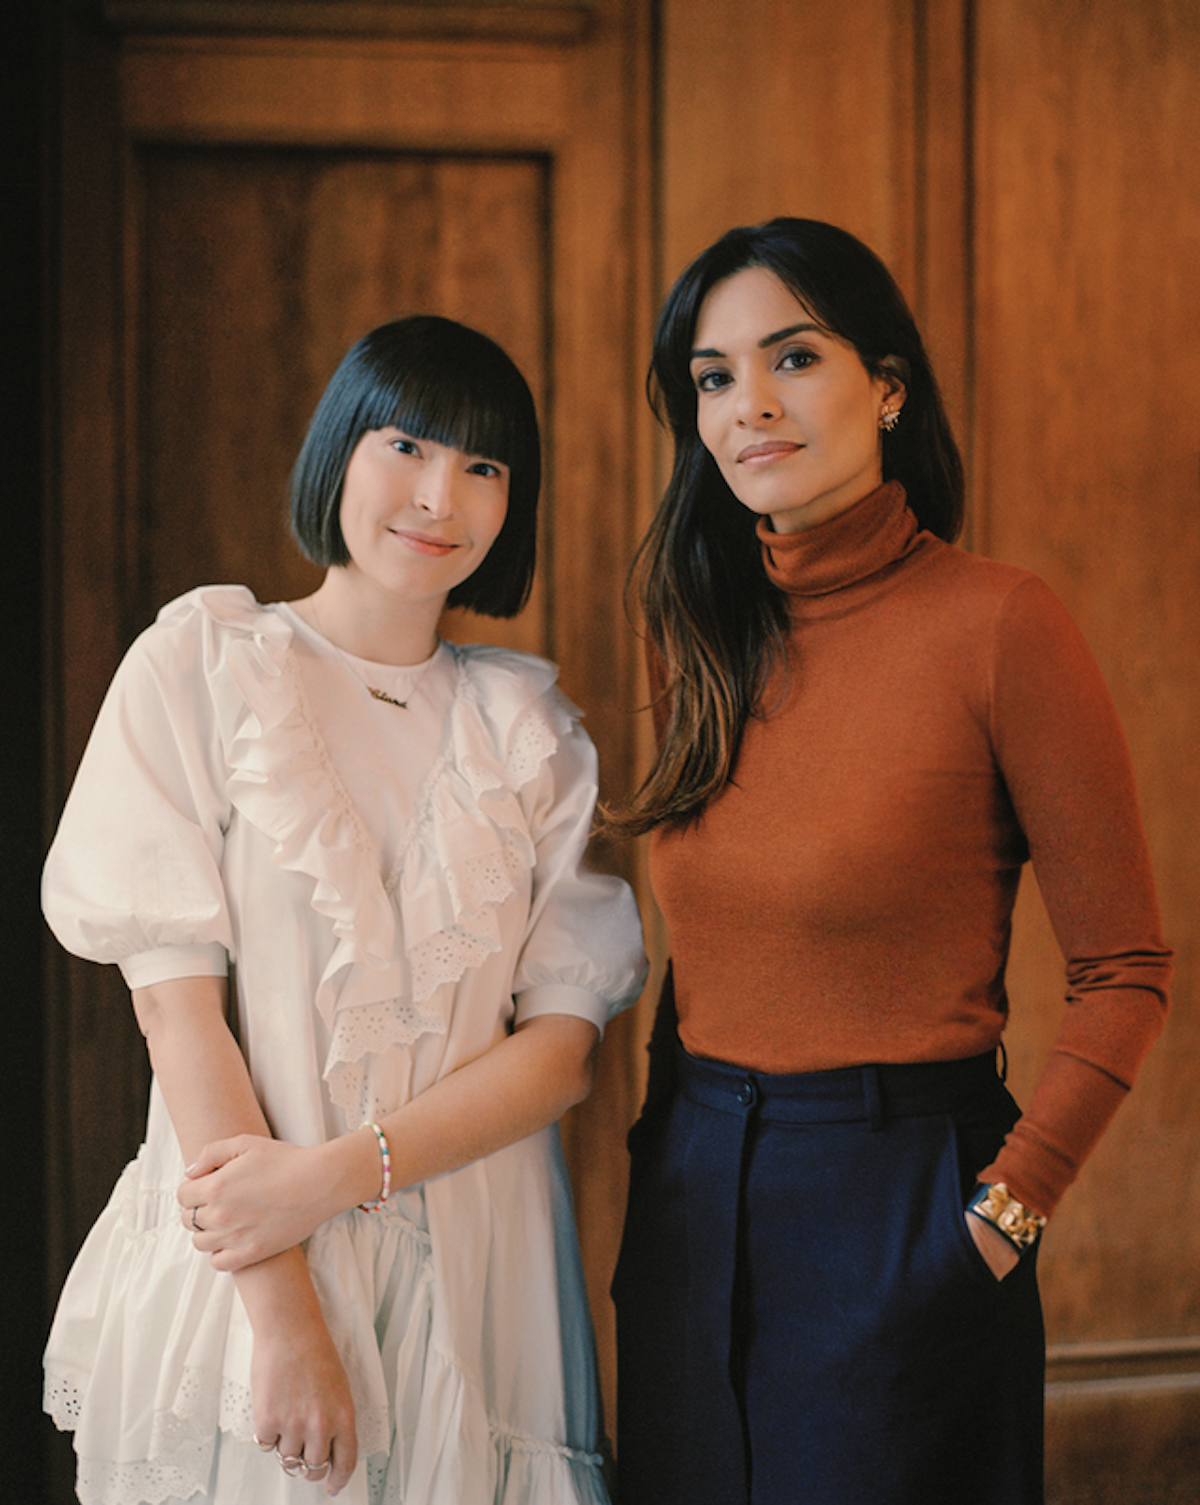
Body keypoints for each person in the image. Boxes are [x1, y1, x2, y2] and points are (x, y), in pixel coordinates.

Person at [607, 219, 1170, 1505]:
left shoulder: (1000, 625)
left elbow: (1128, 966)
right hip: (693, 1198)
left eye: (792, 358)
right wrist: (668, 1164)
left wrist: (1003, 1216)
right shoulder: (692, 629)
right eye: (713, 375)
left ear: (890, 385)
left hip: (904, 1203)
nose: (749, 403)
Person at [42, 314, 648, 1505]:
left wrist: (334, 1173)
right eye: (407, 444)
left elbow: (560, 1055)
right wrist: (284, 1313)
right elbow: (179, 1018)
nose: (441, 495)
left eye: (484, 467)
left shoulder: (532, 735)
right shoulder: (201, 670)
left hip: (479, 1270)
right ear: (339, 452)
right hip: (247, 1270)